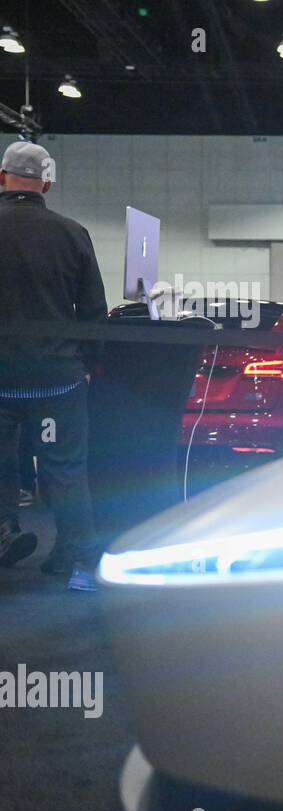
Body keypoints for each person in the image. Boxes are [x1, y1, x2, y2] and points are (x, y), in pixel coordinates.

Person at [0, 141, 107, 591]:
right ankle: (77, 560)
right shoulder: (72, 232)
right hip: (56, 380)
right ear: (47, 182)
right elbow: (95, 313)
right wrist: (87, 366)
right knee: (65, 469)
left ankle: (5, 534)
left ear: (2, 177)